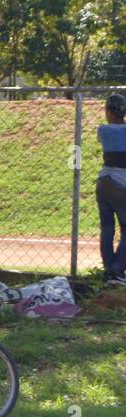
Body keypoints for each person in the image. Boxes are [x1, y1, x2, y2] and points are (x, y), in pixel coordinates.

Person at [97, 93, 126, 285]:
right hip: (122, 183)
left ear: (108, 111)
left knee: (107, 227)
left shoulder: (102, 130)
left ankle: (109, 270)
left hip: (103, 181)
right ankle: (117, 271)